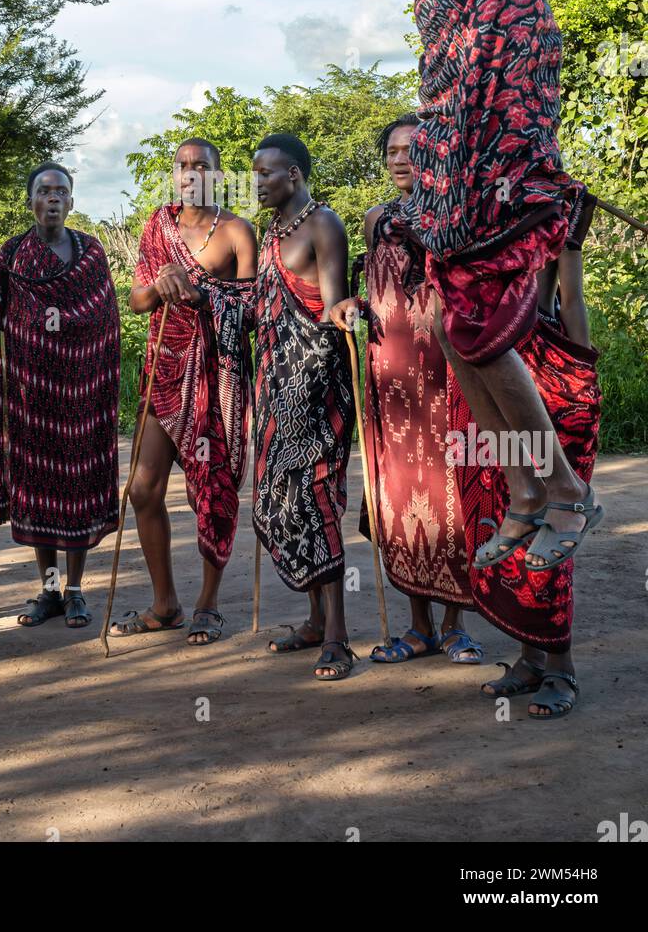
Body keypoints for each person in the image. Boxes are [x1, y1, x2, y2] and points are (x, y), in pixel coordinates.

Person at [372, 0, 602, 579]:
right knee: (457, 338)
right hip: (450, 180)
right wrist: (436, 178)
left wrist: (502, 175)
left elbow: (522, 70)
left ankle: (565, 491)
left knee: (481, 334)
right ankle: (525, 491)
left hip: (496, 181)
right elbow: (443, 90)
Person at [330, 114, 484, 665]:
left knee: (451, 498)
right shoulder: (375, 220)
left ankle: (455, 625)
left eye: (412, 151)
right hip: (389, 376)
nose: (401, 160)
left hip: (446, 374)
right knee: (397, 501)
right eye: (393, 151)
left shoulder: (456, 214)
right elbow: (373, 289)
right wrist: (349, 307)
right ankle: (416, 628)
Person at [109, 139, 257, 645]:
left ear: (218, 174)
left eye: (203, 166)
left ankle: (208, 605)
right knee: (142, 489)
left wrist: (202, 293)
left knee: (210, 496)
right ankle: (164, 602)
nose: (191, 173)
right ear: (173, 174)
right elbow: (136, 301)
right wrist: (161, 285)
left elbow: (252, 311)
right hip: (163, 372)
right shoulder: (158, 226)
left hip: (216, 380)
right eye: (183, 166)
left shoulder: (238, 231)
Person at [464, 201, 601, 718]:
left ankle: (560, 667)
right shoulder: (477, 248)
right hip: (506, 403)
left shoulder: (549, 233)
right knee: (517, 525)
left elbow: (573, 301)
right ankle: (528, 658)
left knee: (552, 531)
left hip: (558, 390)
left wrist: (579, 371)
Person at [0, 163, 121, 630]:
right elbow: (0, 321)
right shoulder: (13, 256)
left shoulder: (91, 254)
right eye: (43, 191)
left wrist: (77, 343)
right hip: (31, 394)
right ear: (30, 201)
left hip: (81, 392)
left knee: (78, 489)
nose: (52, 198)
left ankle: (77, 590)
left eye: (61, 191)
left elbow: (105, 317)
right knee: (41, 491)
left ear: (71, 202)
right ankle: (47, 591)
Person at [252, 132, 355, 681]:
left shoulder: (323, 224)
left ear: (293, 173)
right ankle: (314, 619)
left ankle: (337, 635)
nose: (258, 183)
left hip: (315, 382)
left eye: (266, 173)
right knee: (280, 500)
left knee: (316, 496)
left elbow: (332, 305)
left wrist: (346, 318)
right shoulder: (272, 232)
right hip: (274, 384)